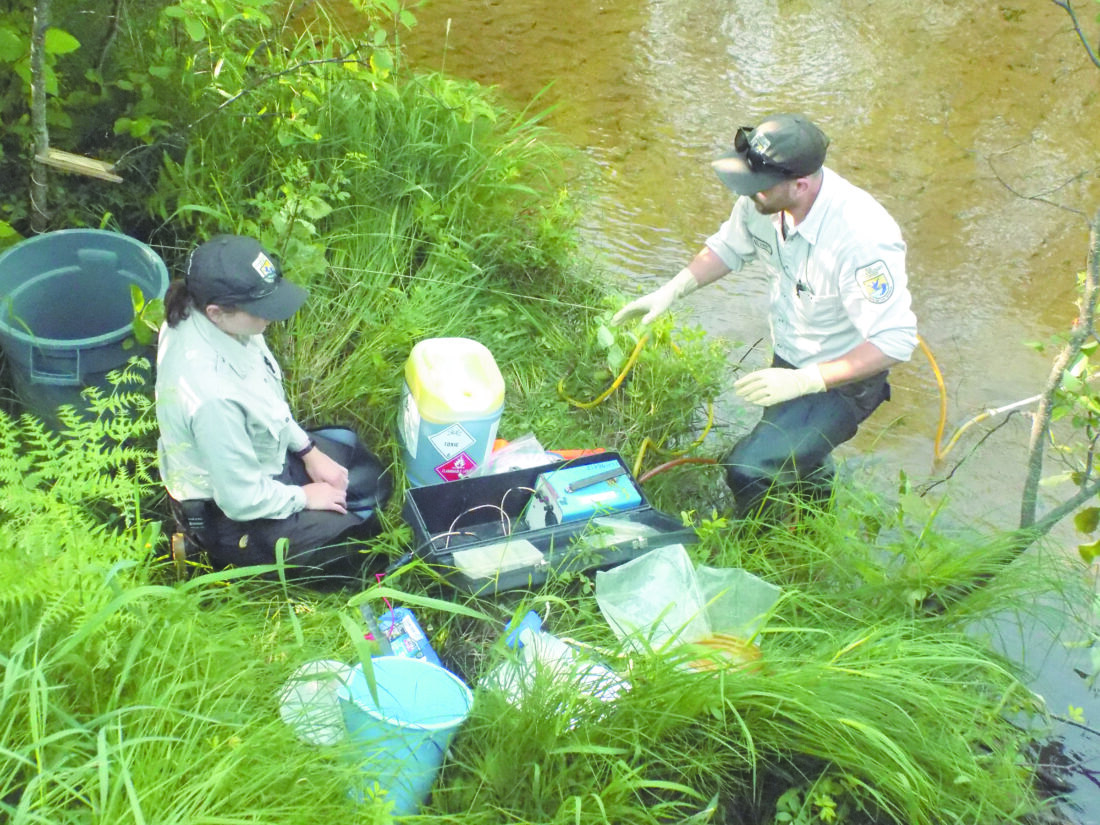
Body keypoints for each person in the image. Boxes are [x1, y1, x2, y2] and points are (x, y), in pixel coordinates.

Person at [613, 113, 918, 517]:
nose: (747, 193)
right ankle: (814, 517)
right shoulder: (764, 199)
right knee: (791, 453)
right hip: (791, 353)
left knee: (748, 468)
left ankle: (758, 542)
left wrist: (807, 380)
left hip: (845, 379)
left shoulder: (862, 238)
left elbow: (894, 342)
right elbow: (728, 246)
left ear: (800, 185)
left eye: (757, 186)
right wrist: (673, 289)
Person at [155, 234, 391, 585]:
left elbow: (262, 395)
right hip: (228, 507)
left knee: (367, 475)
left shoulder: (224, 320)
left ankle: (323, 501)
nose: (272, 317)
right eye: (262, 309)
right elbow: (240, 498)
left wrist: (308, 450)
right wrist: (304, 497)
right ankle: (211, 551)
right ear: (216, 313)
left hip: (262, 455)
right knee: (356, 547)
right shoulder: (211, 398)